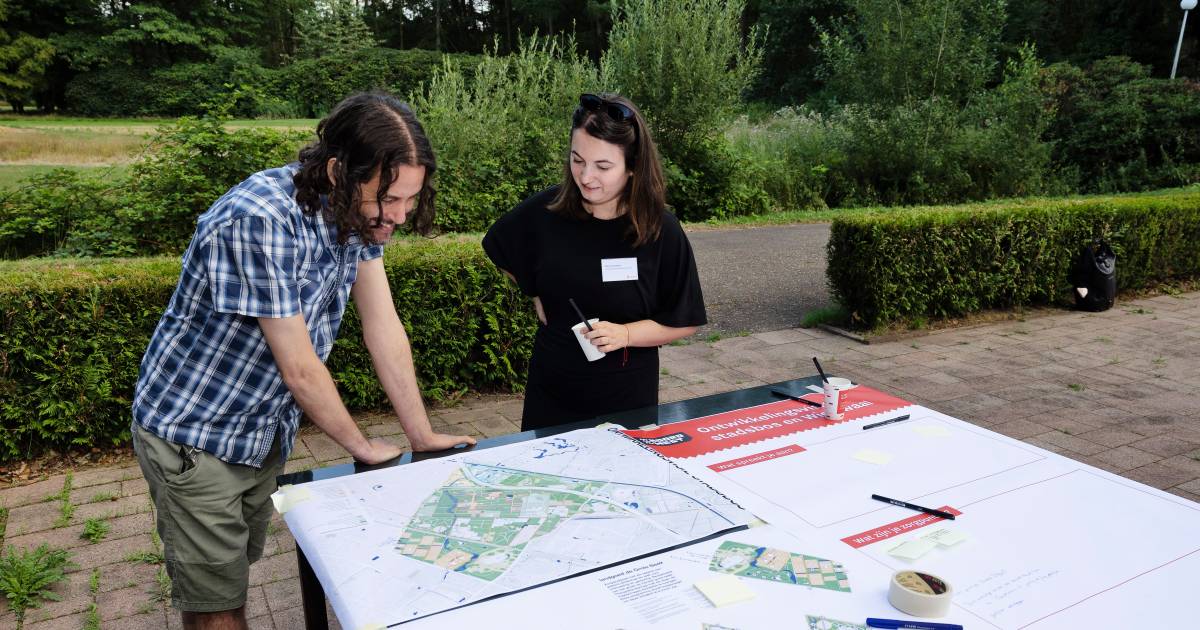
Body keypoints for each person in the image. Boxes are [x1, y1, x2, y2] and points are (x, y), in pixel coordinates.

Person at [130, 91, 476, 630]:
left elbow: (383, 327)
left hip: (262, 429)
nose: (399, 216)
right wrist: (362, 448)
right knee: (216, 603)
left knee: (234, 568)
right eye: (388, 199)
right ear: (338, 170)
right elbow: (300, 367)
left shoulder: (356, 217)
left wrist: (421, 434)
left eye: (409, 199)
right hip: (193, 436)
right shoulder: (260, 218)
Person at [483, 93, 706, 431]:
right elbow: (497, 244)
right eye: (577, 160)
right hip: (552, 389)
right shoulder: (547, 210)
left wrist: (625, 334)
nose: (586, 177)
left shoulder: (660, 229)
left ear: (632, 167)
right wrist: (534, 291)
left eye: (603, 166)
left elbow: (685, 320)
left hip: (625, 396)